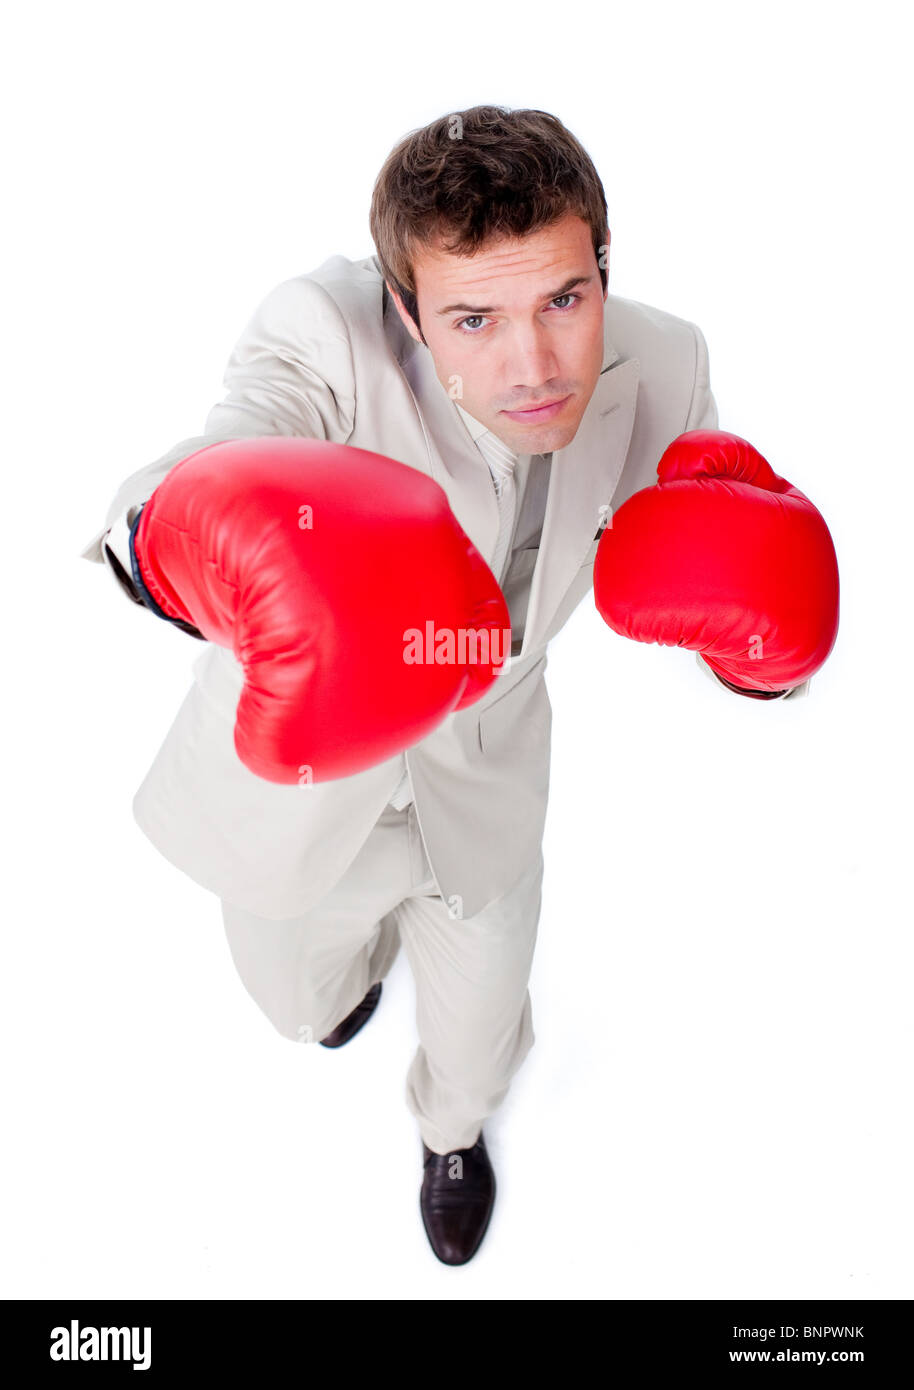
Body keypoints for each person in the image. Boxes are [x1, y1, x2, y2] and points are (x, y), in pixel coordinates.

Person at [79, 104, 838, 1266]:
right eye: (472, 319)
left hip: (488, 780)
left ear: (600, 269)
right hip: (305, 777)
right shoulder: (320, 334)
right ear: (405, 310)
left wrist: (760, 662)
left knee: (478, 1042)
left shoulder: (669, 361)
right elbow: (203, 464)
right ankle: (344, 995)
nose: (531, 366)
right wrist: (180, 536)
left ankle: (448, 1133)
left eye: (563, 302)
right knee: (299, 1004)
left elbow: (721, 563)